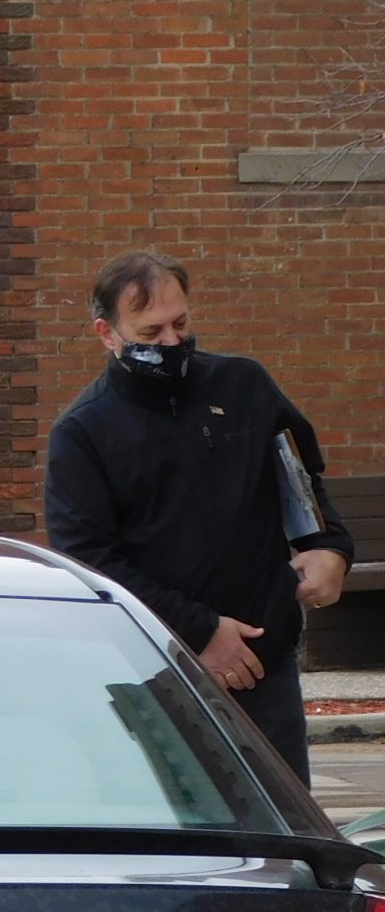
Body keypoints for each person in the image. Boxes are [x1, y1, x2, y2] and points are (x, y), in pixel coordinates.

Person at [46, 250, 356, 781]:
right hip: (153, 672)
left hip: (264, 661)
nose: (171, 342)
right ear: (108, 333)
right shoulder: (83, 433)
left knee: (286, 839)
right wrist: (200, 632)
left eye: (181, 323)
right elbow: (90, 562)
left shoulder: (245, 386)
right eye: (151, 331)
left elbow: (300, 484)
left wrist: (330, 549)